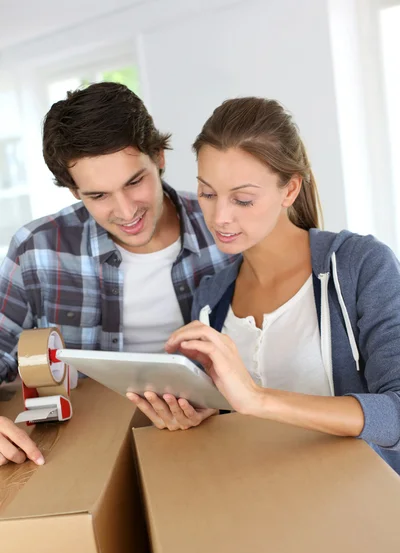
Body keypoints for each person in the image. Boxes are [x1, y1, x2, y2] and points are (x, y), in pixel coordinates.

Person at [130, 96, 400, 475]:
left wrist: (257, 399)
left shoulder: (360, 266)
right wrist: (200, 410)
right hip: (256, 500)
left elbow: (396, 414)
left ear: (289, 191)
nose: (220, 217)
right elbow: (225, 421)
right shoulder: (211, 297)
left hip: (360, 507)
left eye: (242, 199)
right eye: (207, 194)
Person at [0, 82, 234, 467]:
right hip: (87, 456)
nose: (126, 212)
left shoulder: (224, 228)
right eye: (98, 196)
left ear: (158, 156)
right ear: (75, 191)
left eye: (134, 182)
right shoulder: (37, 249)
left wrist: (221, 399)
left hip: (217, 439)